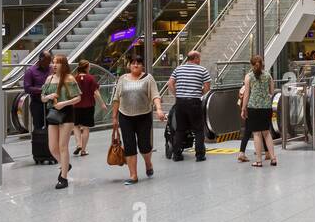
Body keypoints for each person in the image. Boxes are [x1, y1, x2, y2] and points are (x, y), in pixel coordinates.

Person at [111, 54, 166, 185]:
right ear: (129, 65)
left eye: (138, 63)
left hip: (144, 116)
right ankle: (133, 175)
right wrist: (114, 118)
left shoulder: (148, 78)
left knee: (144, 145)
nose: (135, 65)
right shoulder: (122, 79)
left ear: (142, 66)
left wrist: (158, 109)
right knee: (129, 145)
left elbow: (155, 95)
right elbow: (116, 98)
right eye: (133, 63)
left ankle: (148, 163)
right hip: (125, 116)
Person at [40, 55, 81, 189]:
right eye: (54, 62)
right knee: (52, 147)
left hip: (67, 113)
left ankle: (63, 177)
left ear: (64, 65)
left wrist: (64, 103)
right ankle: (65, 165)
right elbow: (42, 98)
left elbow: (78, 98)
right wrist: (48, 97)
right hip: (53, 114)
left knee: (63, 146)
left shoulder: (69, 78)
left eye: (58, 63)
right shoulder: (49, 79)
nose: (55, 65)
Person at [167, 50, 211, 162]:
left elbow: (170, 83)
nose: (200, 60)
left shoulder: (178, 69)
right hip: (194, 102)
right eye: (199, 58)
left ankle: (176, 155)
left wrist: (177, 94)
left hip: (180, 103)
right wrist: (199, 93)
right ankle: (199, 155)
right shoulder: (202, 70)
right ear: (195, 58)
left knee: (180, 129)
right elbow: (207, 87)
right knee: (198, 130)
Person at [240, 56, 277, 166]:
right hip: (266, 107)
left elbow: (246, 94)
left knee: (256, 134)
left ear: (252, 65)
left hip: (253, 108)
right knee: (266, 133)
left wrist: (243, 108)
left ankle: (259, 161)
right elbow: (272, 91)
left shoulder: (248, 77)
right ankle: (273, 158)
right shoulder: (268, 76)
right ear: (262, 64)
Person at [24, 52, 57, 164]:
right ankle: (39, 153)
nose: (50, 63)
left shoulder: (52, 69)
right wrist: (42, 90)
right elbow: (27, 88)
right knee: (38, 127)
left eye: (50, 61)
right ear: (41, 59)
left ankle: (52, 153)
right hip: (37, 104)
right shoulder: (31, 71)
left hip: (50, 104)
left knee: (52, 128)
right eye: (48, 61)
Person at [72, 59, 106, 157]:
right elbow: (95, 92)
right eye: (89, 66)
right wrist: (102, 103)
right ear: (86, 67)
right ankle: (83, 150)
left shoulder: (74, 78)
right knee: (86, 128)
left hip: (76, 105)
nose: (90, 68)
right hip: (89, 106)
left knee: (76, 126)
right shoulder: (91, 78)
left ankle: (78, 144)